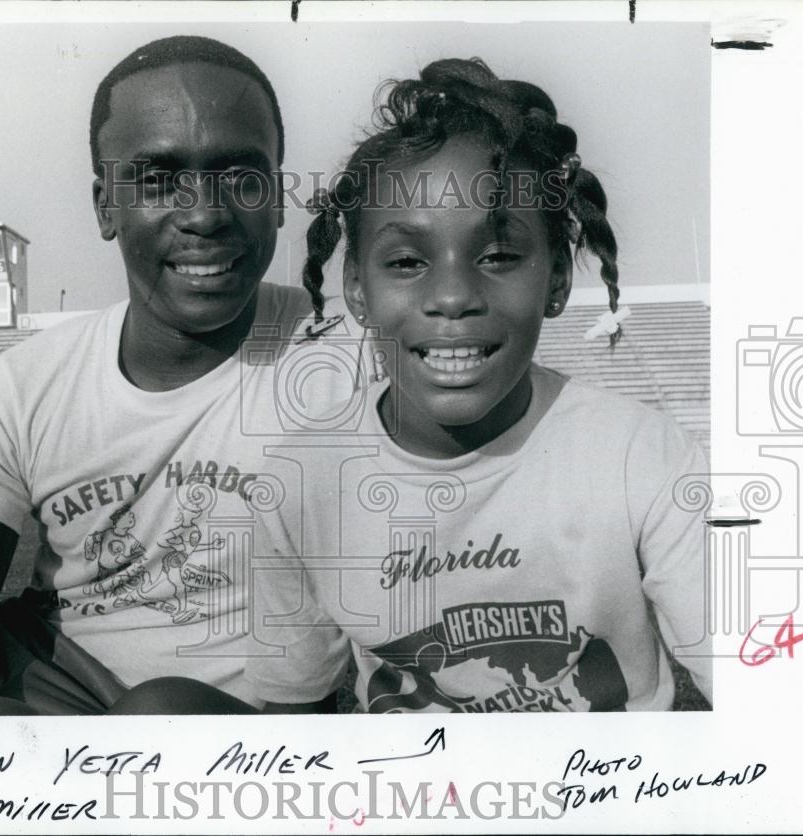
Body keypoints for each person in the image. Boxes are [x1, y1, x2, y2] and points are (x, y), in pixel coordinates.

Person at [0, 36, 348, 715]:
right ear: (107, 206)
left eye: (241, 178)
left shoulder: (352, 361)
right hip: (62, 688)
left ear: (279, 198)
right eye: (159, 180)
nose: (205, 214)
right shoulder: (21, 389)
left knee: (161, 714)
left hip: (247, 738)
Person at [246, 57, 712, 713]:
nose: (454, 296)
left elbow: (766, 691)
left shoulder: (642, 456)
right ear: (357, 286)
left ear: (554, 280)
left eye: (497, 256)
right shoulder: (302, 483)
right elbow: (298, 715)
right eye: (407, 261)